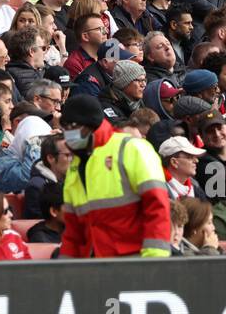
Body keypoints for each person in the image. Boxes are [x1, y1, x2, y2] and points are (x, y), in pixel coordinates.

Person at [60, 94, 170, 258]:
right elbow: (73, 230)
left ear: (91, 125)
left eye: (73, 126)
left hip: (134, 259)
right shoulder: (76, 165)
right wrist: (65, 268)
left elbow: (157, 207)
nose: (68, 133)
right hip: (93, 263)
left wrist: (154, 261)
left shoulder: (131, 148)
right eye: (65, 127)